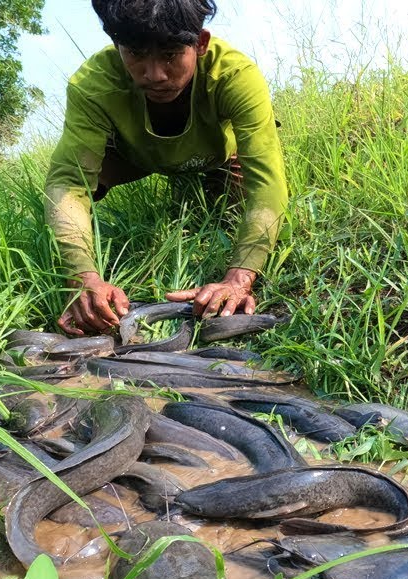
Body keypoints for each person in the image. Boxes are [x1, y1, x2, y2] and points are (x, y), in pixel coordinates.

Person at [45, 0, 288, 336]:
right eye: (135, 53)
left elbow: (266, 184)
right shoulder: (93, 86)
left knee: (227, 213)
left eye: (171, 54)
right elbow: (68, 184)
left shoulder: (234, 75)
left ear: (200, 43)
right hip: (135, 158)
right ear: (117, 46)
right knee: (78, 192)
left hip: (218, 158)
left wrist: (240, 277)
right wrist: (83, 276)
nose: (154, 74)